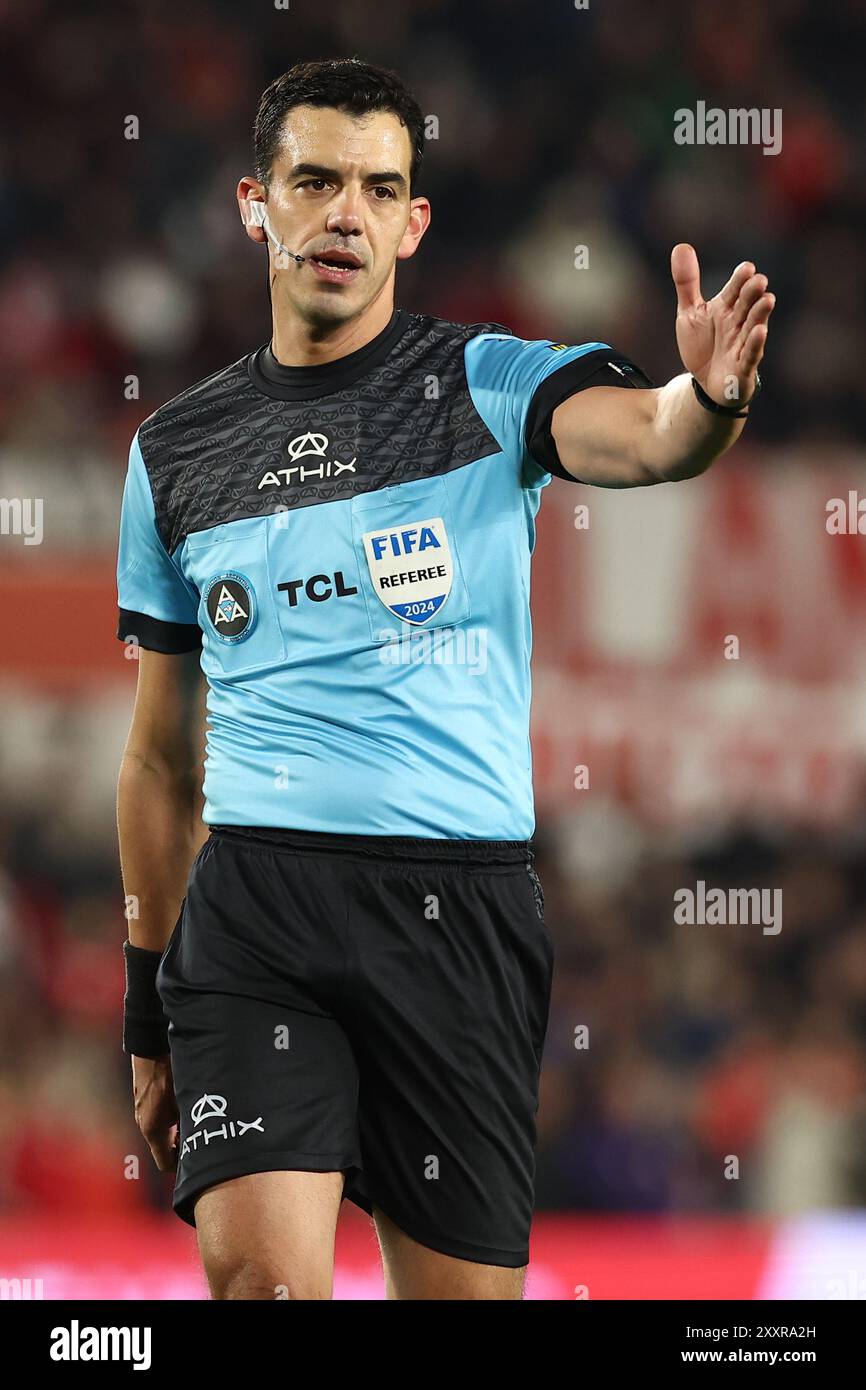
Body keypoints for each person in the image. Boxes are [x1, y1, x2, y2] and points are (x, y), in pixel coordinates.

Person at [115, 57, 774, 1300]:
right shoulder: (172, 452)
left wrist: (709, 396)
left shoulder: (483, 385)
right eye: (313, 182)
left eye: (377, 188)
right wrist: (147, 1009)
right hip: (258, 899)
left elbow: (648, 440)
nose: (343, 215)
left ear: (413, 221)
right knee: (261, 1284)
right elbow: (158, 759)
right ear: (256, 204)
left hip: (455, 910)